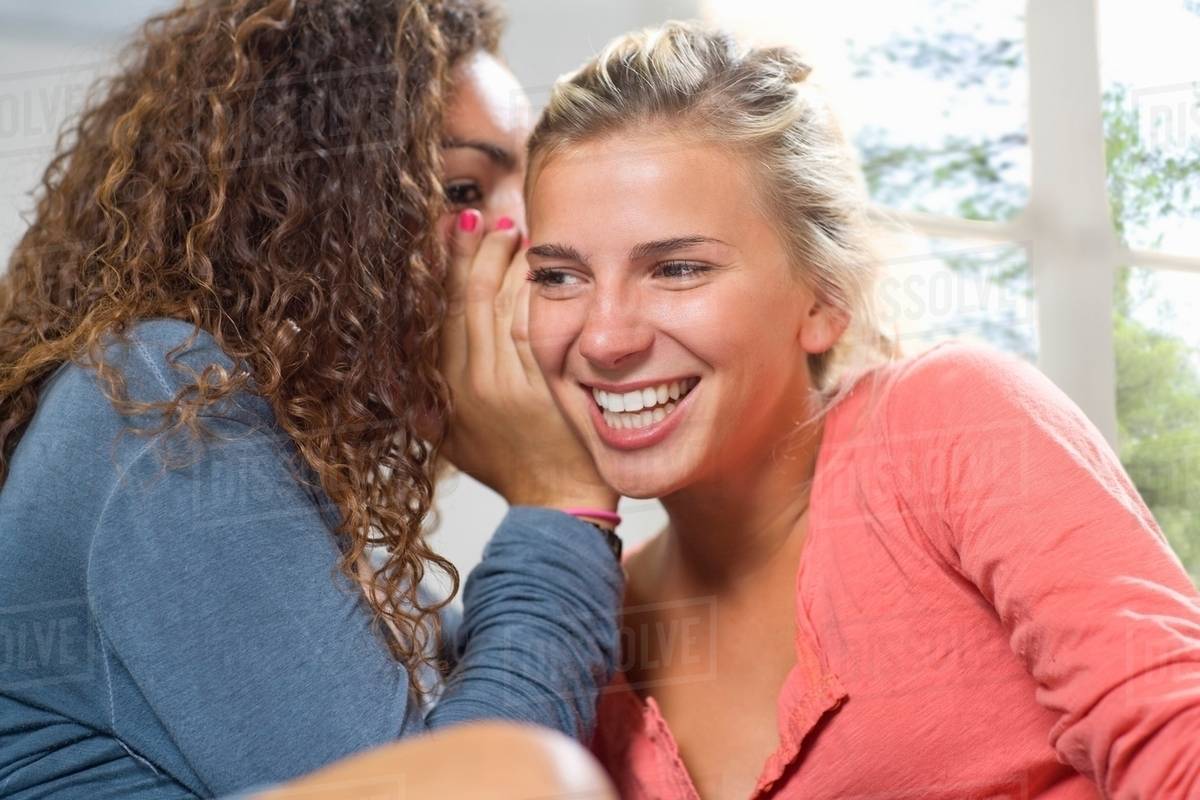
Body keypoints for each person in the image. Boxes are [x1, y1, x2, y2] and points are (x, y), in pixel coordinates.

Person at [522, 21, 1200, 800]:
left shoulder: (949, 425)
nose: (605, 337)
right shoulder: (583, 627)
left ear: (826, 299)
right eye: (560, 278)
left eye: (676, 268)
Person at [0, 1, 623, 798]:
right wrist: (562, 503)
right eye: (464, 187)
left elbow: (453, 715)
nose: (526, 239)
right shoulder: (163, 397)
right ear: (315, 200)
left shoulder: (284, 466)